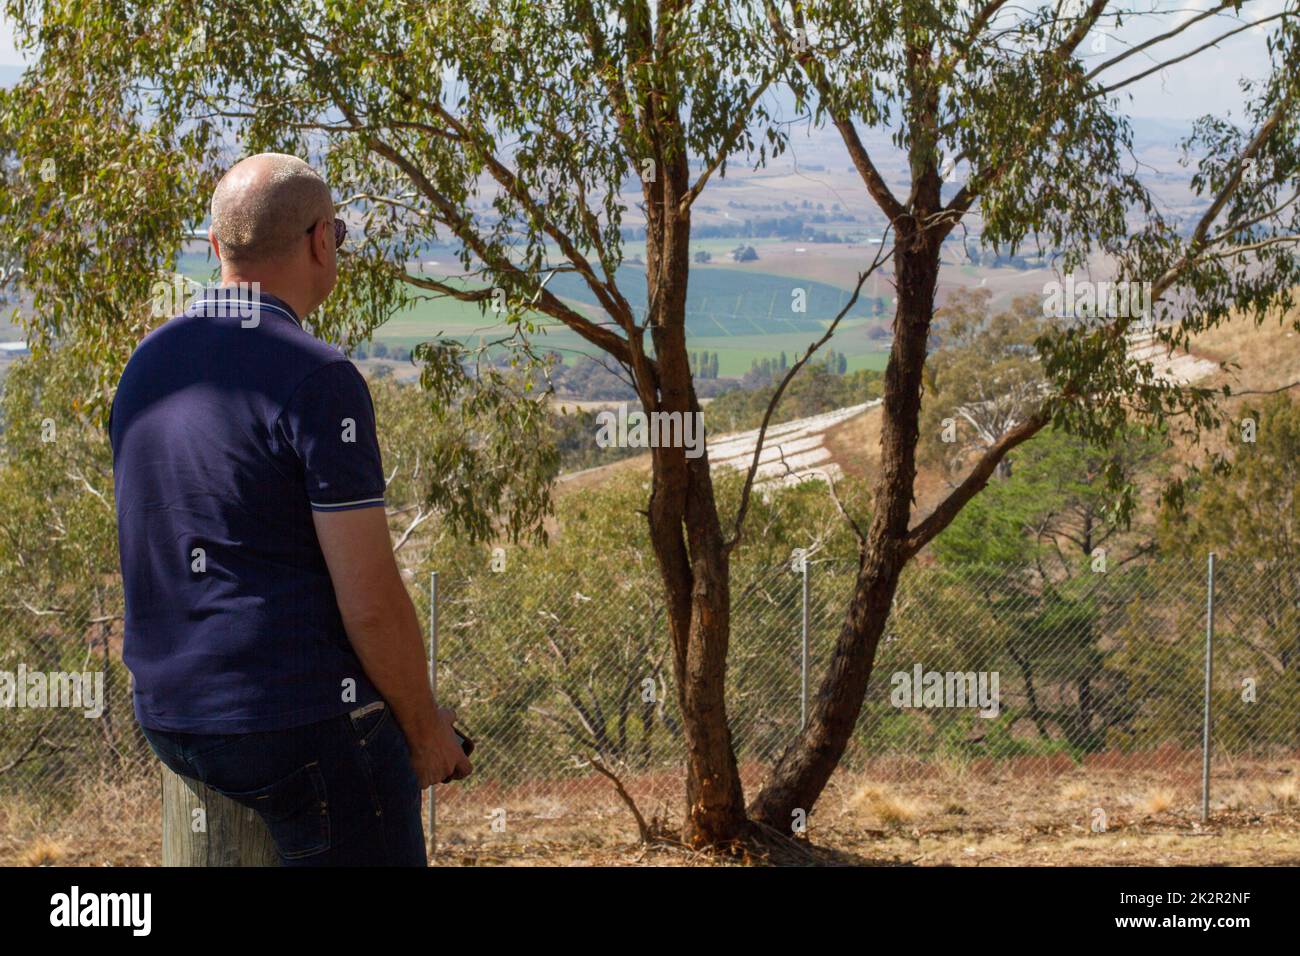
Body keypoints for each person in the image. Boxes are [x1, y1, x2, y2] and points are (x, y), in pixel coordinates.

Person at [109, 153, 470, 866]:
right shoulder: (319, 378)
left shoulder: (145, 365)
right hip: (289, 726)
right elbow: (368, 599)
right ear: (321, 242)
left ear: (215, 249)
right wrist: (426, 731)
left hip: (170, 716)